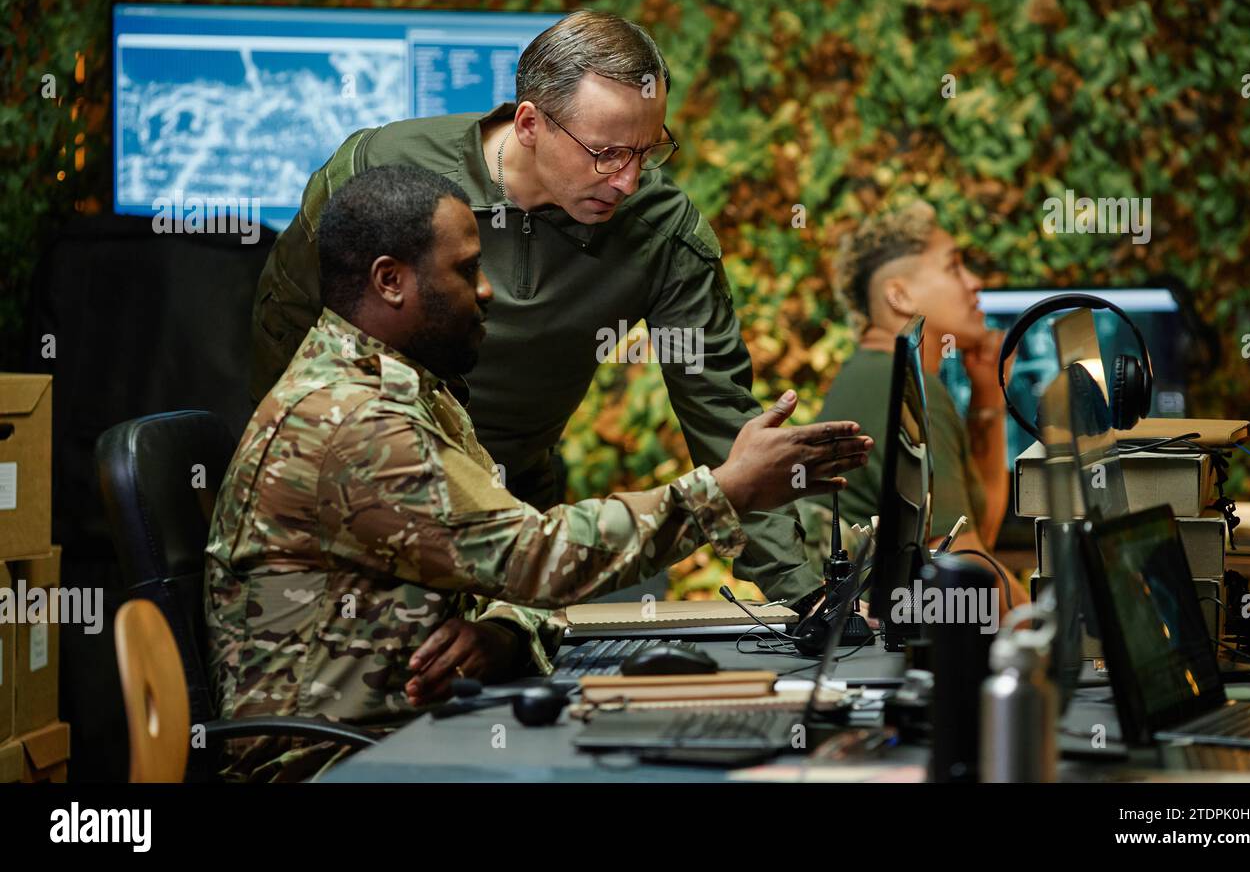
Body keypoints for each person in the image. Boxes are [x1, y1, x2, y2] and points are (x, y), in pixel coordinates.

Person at [206, 165, 871, 781]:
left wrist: (502, 633)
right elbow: (533, 557)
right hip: (333, 764)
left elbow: (494, 565)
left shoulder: (401, 388)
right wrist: (725, 491)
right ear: (390, 281)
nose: (488, 291)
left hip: (411, 731)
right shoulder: (353, 422)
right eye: (466, 271)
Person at [249, 10, 826, 614]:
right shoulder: (380, 174)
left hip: (516, 512)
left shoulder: (659, 233)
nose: (627, 182)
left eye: (647, 152)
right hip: (370, 494)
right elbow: (286, 346)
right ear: (529, 123)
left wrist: (804, 592)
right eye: (605, 153)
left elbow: (720, 411)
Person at [807, 200, 1027, 608]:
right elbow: (963, 574)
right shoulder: (899, 384)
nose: (975, 282)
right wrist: (1066, 634)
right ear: (900, 295)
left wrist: (988, 399)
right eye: (954, 267)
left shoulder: (879, 371)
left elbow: (975, 534)